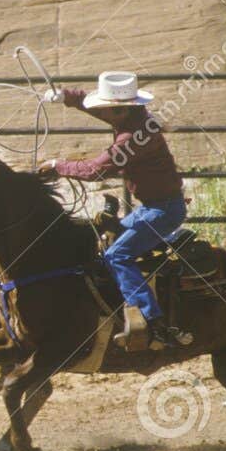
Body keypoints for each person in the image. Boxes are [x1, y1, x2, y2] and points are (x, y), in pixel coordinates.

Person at [37, 71, 192, 348]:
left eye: (107, 108)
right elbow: (93, 104)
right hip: (157, 207)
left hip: (162, 211)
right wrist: (66, 97)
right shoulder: (135, 119)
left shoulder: (134, 137)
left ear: (119, 109)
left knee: (117, 255)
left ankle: (150, 320)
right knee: (110, 243)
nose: (104, 113)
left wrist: (57, 166)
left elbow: (95, 171)